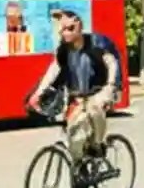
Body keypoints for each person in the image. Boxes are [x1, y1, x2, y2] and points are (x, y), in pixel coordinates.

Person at [28, 10, 120, 163]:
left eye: (70, 29)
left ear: (80, 27)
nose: (66, 33)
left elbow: (112, 63)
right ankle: (80, 168)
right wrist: (38, 93)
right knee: (74, 136)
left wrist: (110, 87)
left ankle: (98, 144)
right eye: (62, 30)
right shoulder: (63, 50)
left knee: (94, 108)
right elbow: (54, 69)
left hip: (99, 91)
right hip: (77, 96)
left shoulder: (96, 43)